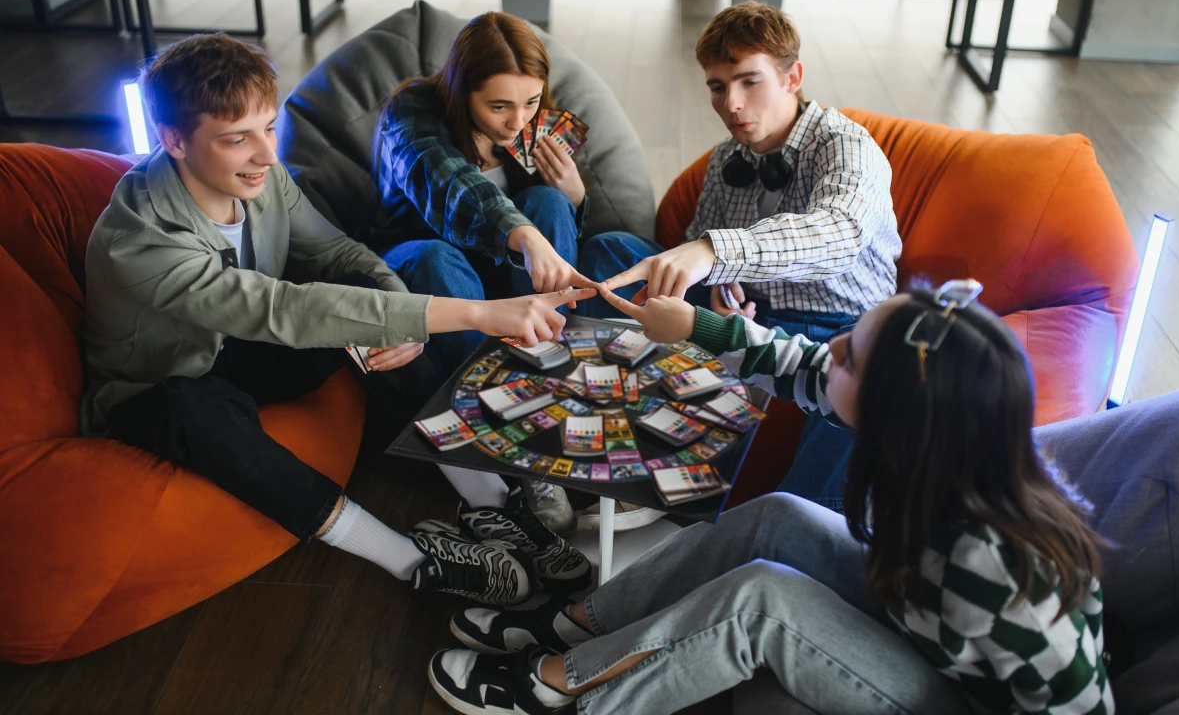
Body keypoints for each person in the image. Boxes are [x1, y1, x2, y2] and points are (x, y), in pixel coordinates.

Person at [426, 280, 1118, 714]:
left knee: (764, 600)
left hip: (959, 697)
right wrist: (696, 326)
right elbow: (802, 364)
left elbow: (1079, 700)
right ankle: (578, 621)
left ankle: (564, 689)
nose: (834, 346)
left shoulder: (991, 562)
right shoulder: (932, 452)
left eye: (852, 355)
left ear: (894, 412)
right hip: (924, 627)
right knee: (779, 516)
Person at [82, 34, 594, 608]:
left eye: (269, 128)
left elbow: (336, 253)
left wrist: (395, 308)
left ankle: (495, 505)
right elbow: (284, 309)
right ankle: (410, 561)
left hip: (244, 352)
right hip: (162, 385)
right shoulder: (139, 243)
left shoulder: (261, 176)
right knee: (195, 412)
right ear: (172, 139)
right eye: (236, 140)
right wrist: (476, 313)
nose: (267, 155)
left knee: (369, 301)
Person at [577, 1, 902, 510]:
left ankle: (795, 526)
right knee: (607, 252)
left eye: (750, 81)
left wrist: (711, 252)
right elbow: (695, 243)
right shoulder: (728, 157)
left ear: (792, 76)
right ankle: (590, 419)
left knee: (813, 494)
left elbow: (839, 233)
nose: (732, 103)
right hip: (750, 306)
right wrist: (723, 297)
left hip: (839, 324)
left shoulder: (847, 147)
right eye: (717, 86)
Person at [374, 11, 597, 380]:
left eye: (531, 101)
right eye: (499, 106)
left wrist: (575, 198)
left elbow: (557, 219)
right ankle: (484, 382)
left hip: (506, 274)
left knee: (550, 201)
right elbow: (452, 185)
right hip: (424, 263)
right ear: (463, 93)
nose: (518, 121)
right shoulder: (411, 109)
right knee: (437, 256)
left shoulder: (535, 125)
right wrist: (525, 236)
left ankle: (548, 351)